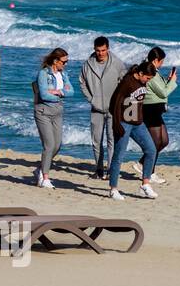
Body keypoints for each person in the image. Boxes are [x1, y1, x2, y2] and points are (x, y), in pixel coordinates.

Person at [108, 61, 159, 201]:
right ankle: (113, 189)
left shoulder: (142, 83)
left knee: (151, 150)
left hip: (138, 124)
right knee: (119, 157)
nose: (148, 81)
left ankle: (145, 185)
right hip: (123, 124)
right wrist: (116, 123)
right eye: (147, 78)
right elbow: (114, 103)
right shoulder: (127, 82)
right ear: (141, 73)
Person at [79, 36, 126, 180]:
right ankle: (99, 169)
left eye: (103, 50)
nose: (100, 53)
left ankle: (111, 170)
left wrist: (119, 102)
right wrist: (91, 99)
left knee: (112, 140)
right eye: (98, 50)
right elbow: (82, 83)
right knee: (96, 140)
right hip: (96, 109)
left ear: (108, 49)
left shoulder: (117, 63)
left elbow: (124, 83)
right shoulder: (88, 64)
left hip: (113, 109)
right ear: (94, 49)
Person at [33, 47, 72, 188]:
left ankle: (40, 169)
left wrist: (57, 92)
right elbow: (44, 95)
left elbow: (71, 92)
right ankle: (45, 178)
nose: (66, 64)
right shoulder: (43, 74)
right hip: (43, 111)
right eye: (64, 61)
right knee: (49, 145)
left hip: (58, 111)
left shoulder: (63, 74)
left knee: (57, 145)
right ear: (56, 61)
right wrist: (60, 93)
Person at [142, 46, 177, 186]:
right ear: (156, 60)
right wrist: (173, 81)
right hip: (150, 110)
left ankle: (143, 164)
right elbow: (163, 93)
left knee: (164, 141)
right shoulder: (152, 72)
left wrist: (168, 81)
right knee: (156, 142)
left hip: (156, 110)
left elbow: (161, 90)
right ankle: (148, 171)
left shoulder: (155, 72)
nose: (162, 64)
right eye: (162, 61)